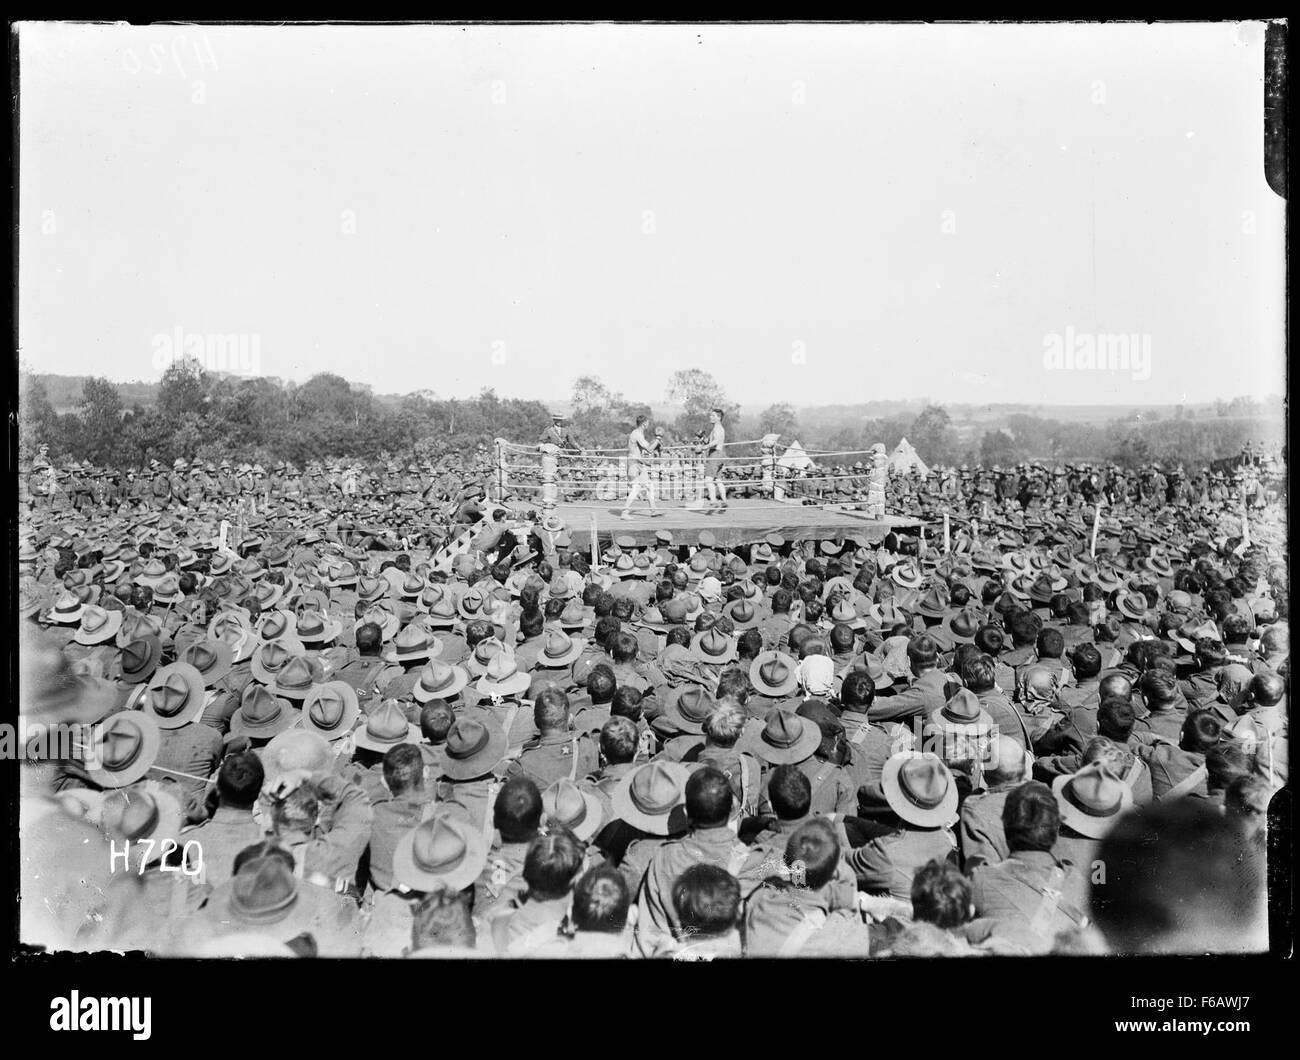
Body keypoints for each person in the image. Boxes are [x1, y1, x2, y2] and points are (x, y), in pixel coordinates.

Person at [621, 414, 663, 520]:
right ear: (644, 423)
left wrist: (657, 444)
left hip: (639, 463)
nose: (648, 424)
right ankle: (624, 512)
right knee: (636, 488)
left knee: (649, 486)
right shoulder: (636, 434)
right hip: (633, 463)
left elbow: (647, 448)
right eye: (647, 422)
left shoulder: (640, 434)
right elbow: (649, 449)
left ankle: (653, 510)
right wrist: (658, 439)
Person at [698, 407, 728, 513]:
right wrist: (702, 438)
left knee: (708, 480)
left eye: (713, 415)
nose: (710, 417)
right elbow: (709, 440)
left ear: (718, 418)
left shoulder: (717, 428)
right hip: (720, 454)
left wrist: (705, 448)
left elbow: (715, 441)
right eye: (710, 415)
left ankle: (713, 502)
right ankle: (724, 501)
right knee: (718, 480)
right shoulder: (717, 428)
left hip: (715, 454)